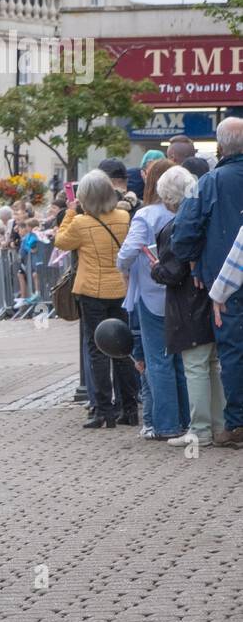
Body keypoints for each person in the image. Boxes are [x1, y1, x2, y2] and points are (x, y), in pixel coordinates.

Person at [173, 116, 243, 447]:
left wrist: (195, 262)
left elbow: (184, 232)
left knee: (233, 352)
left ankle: (237, 424)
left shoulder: (210, 183)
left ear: (220, 148)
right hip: (224, 279)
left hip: (227, 284)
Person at [54, 170, 137, 429]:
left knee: (97, 349)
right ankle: (130, 409)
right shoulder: (124, 218)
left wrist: (69, 211)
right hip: (121, 291)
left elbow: (61, 241)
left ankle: (103, 411)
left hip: (92, 292)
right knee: (123, 348)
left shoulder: (80, 223)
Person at [151, 166, 225, 449]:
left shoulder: (177, 226)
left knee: (194, 366)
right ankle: (220, 424)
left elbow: (172, 272)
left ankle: (201, 429)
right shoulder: (207, 219)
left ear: (169, 197)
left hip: (187, 304)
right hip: (212, 298)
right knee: (213, 365)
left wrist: (155, 269)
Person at [116, 158, 186, 440]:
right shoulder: (184, 213)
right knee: (179, 359)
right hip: (179, 295)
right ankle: (185, 419)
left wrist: (124, 270)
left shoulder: (147, 216)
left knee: (158, 360)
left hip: (151, 293)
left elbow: (127, 253)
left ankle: (166, 424)